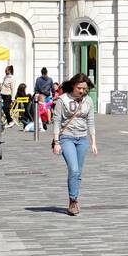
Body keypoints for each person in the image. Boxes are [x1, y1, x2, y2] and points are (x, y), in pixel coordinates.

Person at [50, 73, 98, 217]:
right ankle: (72, 200)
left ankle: (74, 200)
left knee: (78, 172)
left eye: (84, 89)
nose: (82, 91)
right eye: (79, 88)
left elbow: (91, 121)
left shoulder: (88, 100)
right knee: (74, 169)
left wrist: (93, 141)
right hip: (67, 138)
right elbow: (57, 122)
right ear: (73, 85)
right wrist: (57, 142)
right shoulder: (62, 100)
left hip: (82, 139)